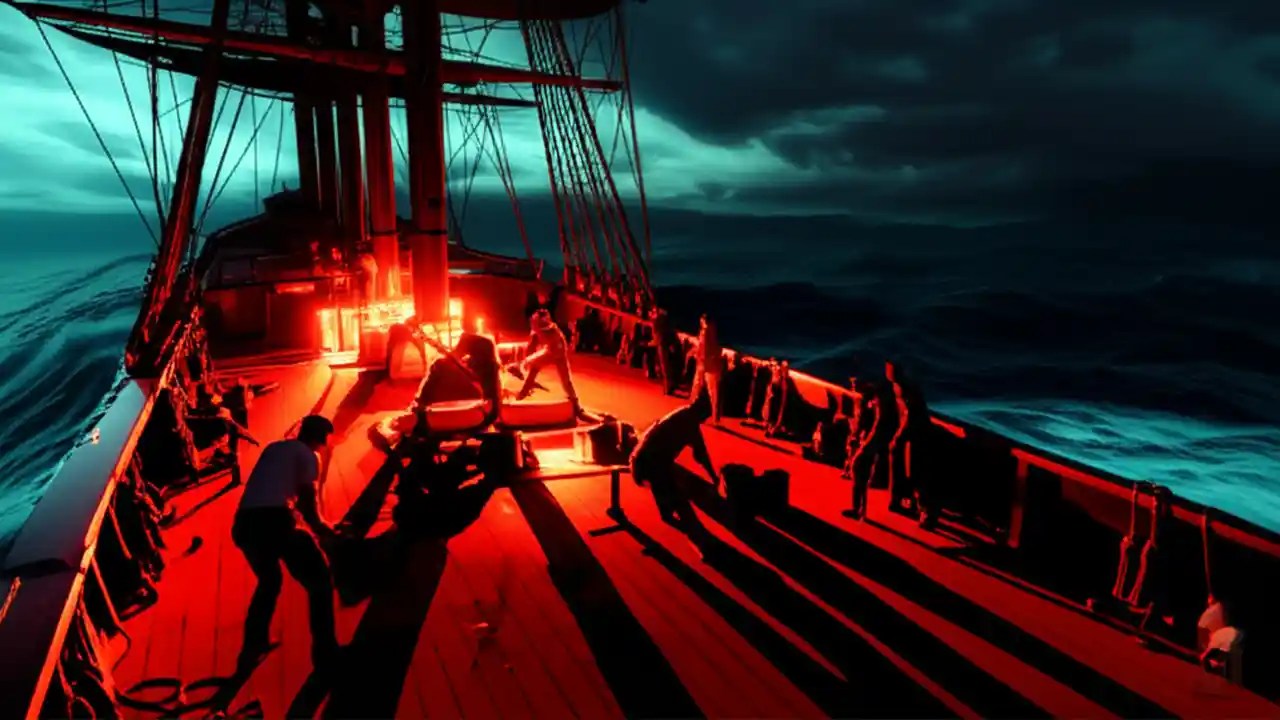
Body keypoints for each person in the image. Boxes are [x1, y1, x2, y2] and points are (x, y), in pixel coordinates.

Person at [233, 415, 340, 673]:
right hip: (275, 521)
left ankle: (254, 644)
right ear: (322, 437)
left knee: (269, 583)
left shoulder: (275, 447)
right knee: (320, 583)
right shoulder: (308, 456)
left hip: (244, 525)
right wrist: (322, 529)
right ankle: (326, 652)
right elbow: (306, 501)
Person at [630, 392, 721, 558]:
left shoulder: (680, 413)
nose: (706, 420)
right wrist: (715, 479)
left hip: (637, 461)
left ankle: (668, 511)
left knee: (673, 479)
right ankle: (703, 544)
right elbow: (701, 456)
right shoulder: (690, 424)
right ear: (702, 412)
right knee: (682, 502)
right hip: (649, 468)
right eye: (707, 415)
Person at [515, 309, 580, 412]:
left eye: (534, 320)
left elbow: (542, 334)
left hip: (558, 351)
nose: (531, 322)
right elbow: (531, 346)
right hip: (551, 350)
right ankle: (524, 391)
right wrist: (528, 360)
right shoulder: (538, 329)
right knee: (534, 367)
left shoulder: (546, 327)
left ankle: (575, 403)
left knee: (565, 379)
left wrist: (526, 361)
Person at [692, 314, 724, 424]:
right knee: (713, 393)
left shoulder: (705, 332)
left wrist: (699, 358)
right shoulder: (715, 333)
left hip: (706, 366)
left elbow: (704, 350)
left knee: (700, 389)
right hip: (711, 366)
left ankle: (691, 411)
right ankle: (715, 418)